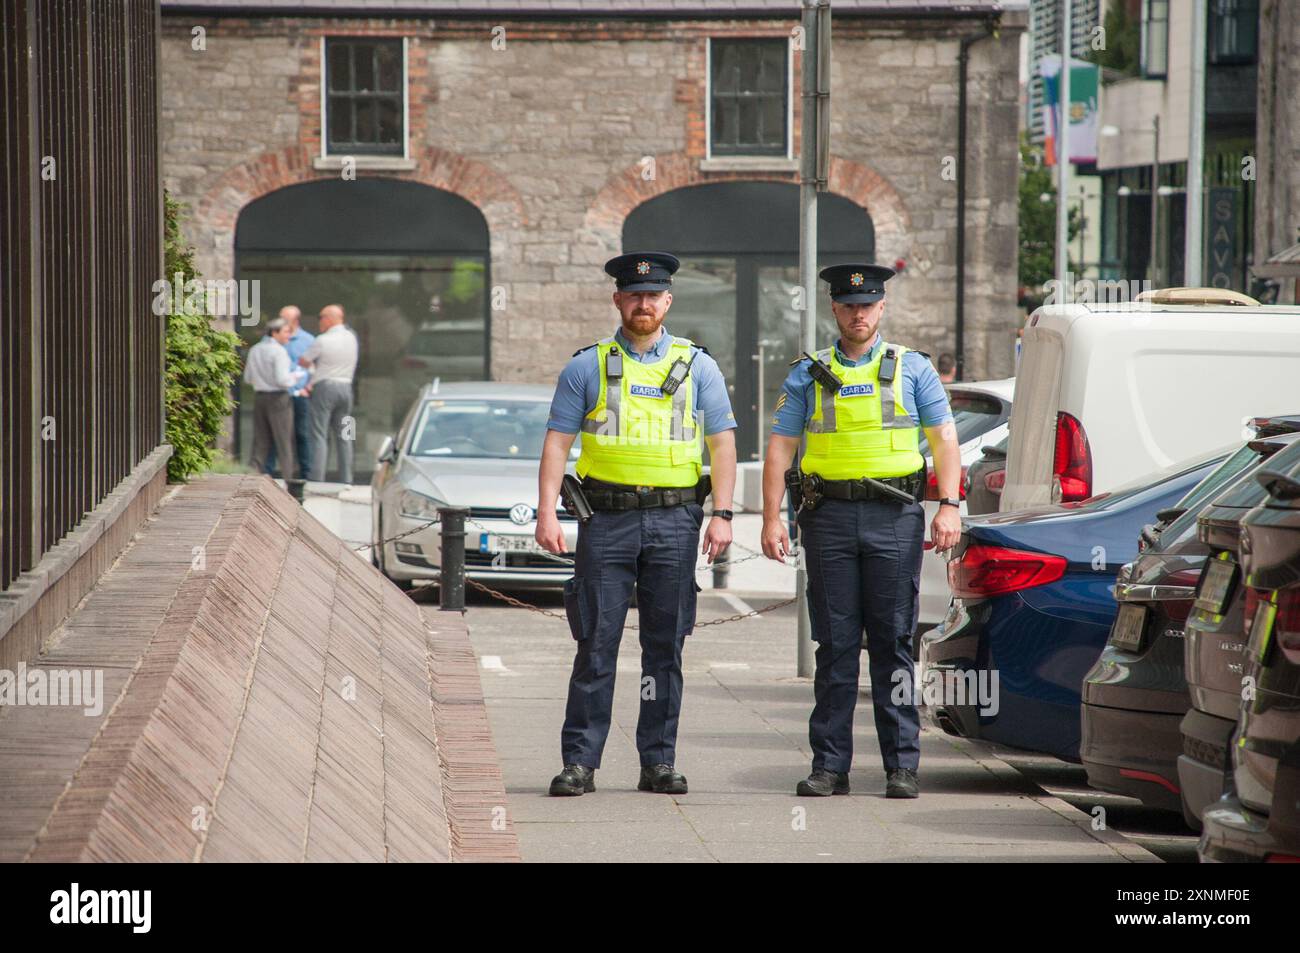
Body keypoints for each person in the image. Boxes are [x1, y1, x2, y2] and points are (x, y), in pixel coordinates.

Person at [536, 251, 737, 797]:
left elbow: (722, 445)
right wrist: (547, 510)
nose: (643, 304)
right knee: (595, 644)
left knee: (664, 649)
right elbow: (557, 442)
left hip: (675, 520)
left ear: (667, 301)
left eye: (653, 296)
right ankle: (580, 763)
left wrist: (722, 514)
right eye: (634, 295)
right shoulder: (587, 366)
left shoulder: (699, 366)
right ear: (618, 300)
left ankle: (658, 762)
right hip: (606, 521)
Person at [760, 263, 962, 800]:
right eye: (849, 305)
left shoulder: (912, 368)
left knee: (893, 642)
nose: (858, 314)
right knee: (835, 644)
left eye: (867, 305)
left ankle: (901, 767)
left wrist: (949, 505)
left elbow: (944, 440)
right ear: (834, 309)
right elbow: (780, 447)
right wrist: (771, 517)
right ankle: (830, 767)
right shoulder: (808, 372)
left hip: (894, 516)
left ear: (881, 308)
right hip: (826, 517)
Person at [299, 303, 359, 484]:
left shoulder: (322, 340)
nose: (319, 321)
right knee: (345, 436)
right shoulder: (352, 337)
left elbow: (304, 361)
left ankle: (316, 479)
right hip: (346, 389)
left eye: (321, 317)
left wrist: (313, 368)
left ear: (329, 319)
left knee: (319, 434)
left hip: (325, 388)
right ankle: (347, 479)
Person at [244, 317, 304, 482]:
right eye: (286, 332)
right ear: (274, 333)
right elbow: (282, 380)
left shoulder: (255, 349)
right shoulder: (279, 351)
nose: (289, 336)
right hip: (279, 399)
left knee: (260, 442)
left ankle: (249, 480)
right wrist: (295, 377)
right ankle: (290, 482)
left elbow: (248, 378)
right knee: (285, 441)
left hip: (260, 398)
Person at [265, 305, 315, 479]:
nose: (281, 322)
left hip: (300, 394)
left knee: (302, 434)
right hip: (278, 394)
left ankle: (305, 474)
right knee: (273, 434)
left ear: (295, 321)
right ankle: (267, 473)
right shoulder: (271, 341)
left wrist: (309, 387)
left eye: (285, 319)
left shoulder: (308, 340)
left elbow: (316, 367)